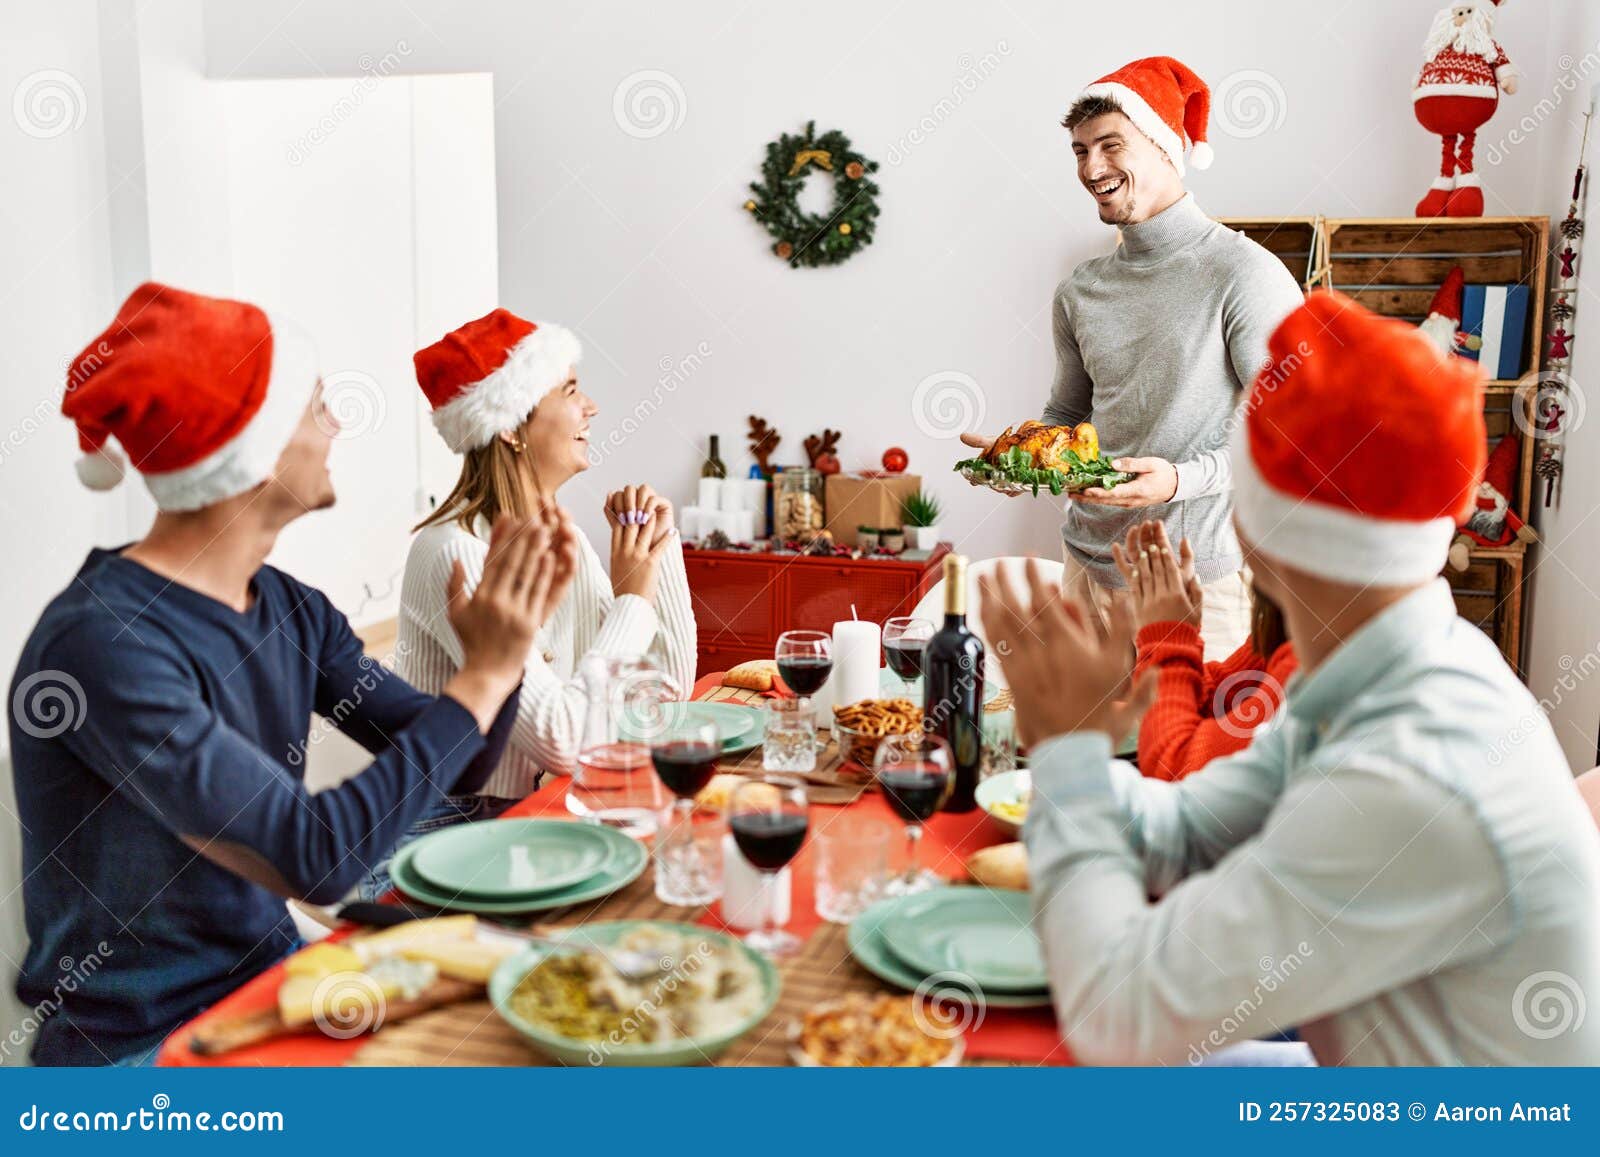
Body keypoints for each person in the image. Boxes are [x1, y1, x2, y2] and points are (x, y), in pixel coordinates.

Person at [979, 291, 1600, 1066]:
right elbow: (1190, 828)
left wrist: (1069, 752)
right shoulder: (1400, 660)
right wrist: (1080, 752)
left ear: (1254, 525)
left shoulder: (1412, 774)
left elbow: (1118, 1018)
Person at [8, 284, 572, 1065]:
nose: (335, 420)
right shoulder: (104, 647)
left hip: (278, 984)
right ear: (250, 448)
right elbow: (316, 854)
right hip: (144, 1051)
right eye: (313, 406)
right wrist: (484, 675)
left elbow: (461, 758)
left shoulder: (286, 607)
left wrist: (503, 660)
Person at [963, 56, 1303, 658]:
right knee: (1077, 750)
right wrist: (1020, 456)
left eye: (1110, 145)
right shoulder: (1081, 289)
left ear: (1166, 147)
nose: (1091, 168)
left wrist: (1178, 481)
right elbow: (1068, 412)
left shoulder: (1244, 274)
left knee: (1189, 754)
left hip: (1195, 583)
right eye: (1078, 150)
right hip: (1085, 570)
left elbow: (1292, 434)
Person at [385, 308, 696, 859]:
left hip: (543, 812)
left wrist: (657, 554)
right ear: (509, 425)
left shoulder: (563, 538)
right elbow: (564, 740)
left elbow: (663, 700)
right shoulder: (455, 554)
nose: (591, 407)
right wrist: (631, 598)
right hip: (450, 835)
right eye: (571, 390)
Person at [1111, 519, 1297, 779]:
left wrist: (1168, 637)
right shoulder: (1290, 629)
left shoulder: (1305, 667)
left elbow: (1176, 768)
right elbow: (1217, 699)